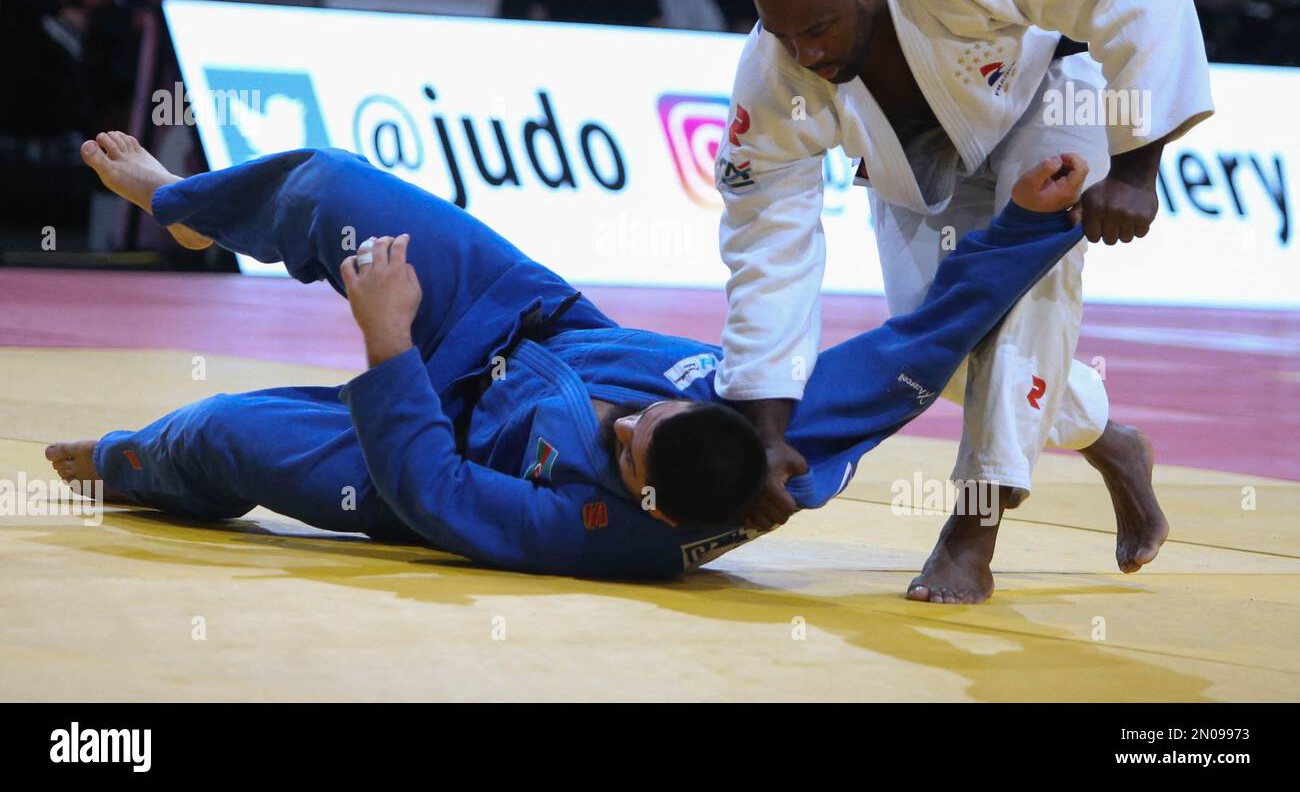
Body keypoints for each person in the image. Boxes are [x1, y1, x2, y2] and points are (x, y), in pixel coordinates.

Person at [55, 131, 1090, 590]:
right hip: (524, 317)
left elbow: (432, 489)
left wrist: (384, 339)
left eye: (629, 444)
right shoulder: (781, 428)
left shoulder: (593, 534)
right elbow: (922, 339)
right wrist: (1037, 224)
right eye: (655, 411)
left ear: (645, 503)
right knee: (331, 187)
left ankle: (127, 460)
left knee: (229, 438)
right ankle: (185, 206)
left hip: (431, 444)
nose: (624, 419)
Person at [713, 0, 1204, 601]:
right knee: (936, 346)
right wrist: (765, 425)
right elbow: (767, 244)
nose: (806, 54)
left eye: (818, 30)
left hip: (1050, 93)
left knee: (1023, 301)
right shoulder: (774, 68)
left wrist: (1135, 165)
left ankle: (972, 531)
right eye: (786, 37)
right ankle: (1112, 441)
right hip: (910, 166)